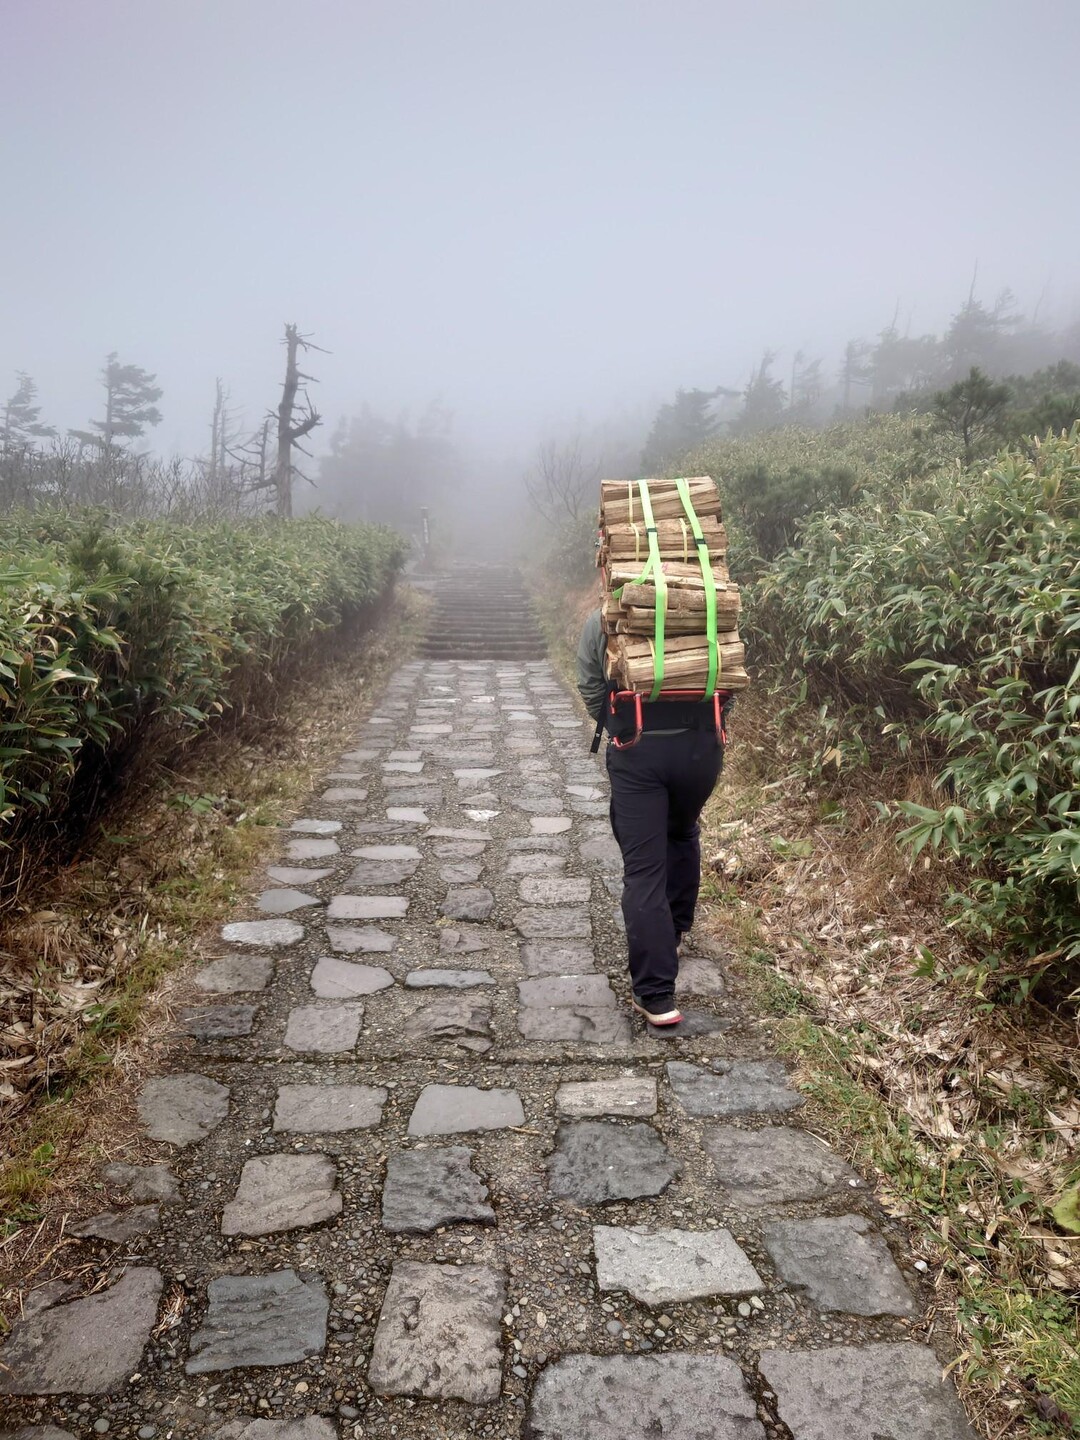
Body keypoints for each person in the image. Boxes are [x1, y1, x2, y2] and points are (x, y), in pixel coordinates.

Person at [576, 607, 728, 1027]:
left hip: (638, 747)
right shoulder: (708, 606)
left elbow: (590, 683)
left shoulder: (605, 619)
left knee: (643, 870)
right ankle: (675, 932)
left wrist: (618, 725)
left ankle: (656, 995)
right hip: (702, 749)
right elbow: (727, 675)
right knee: (681, 831)